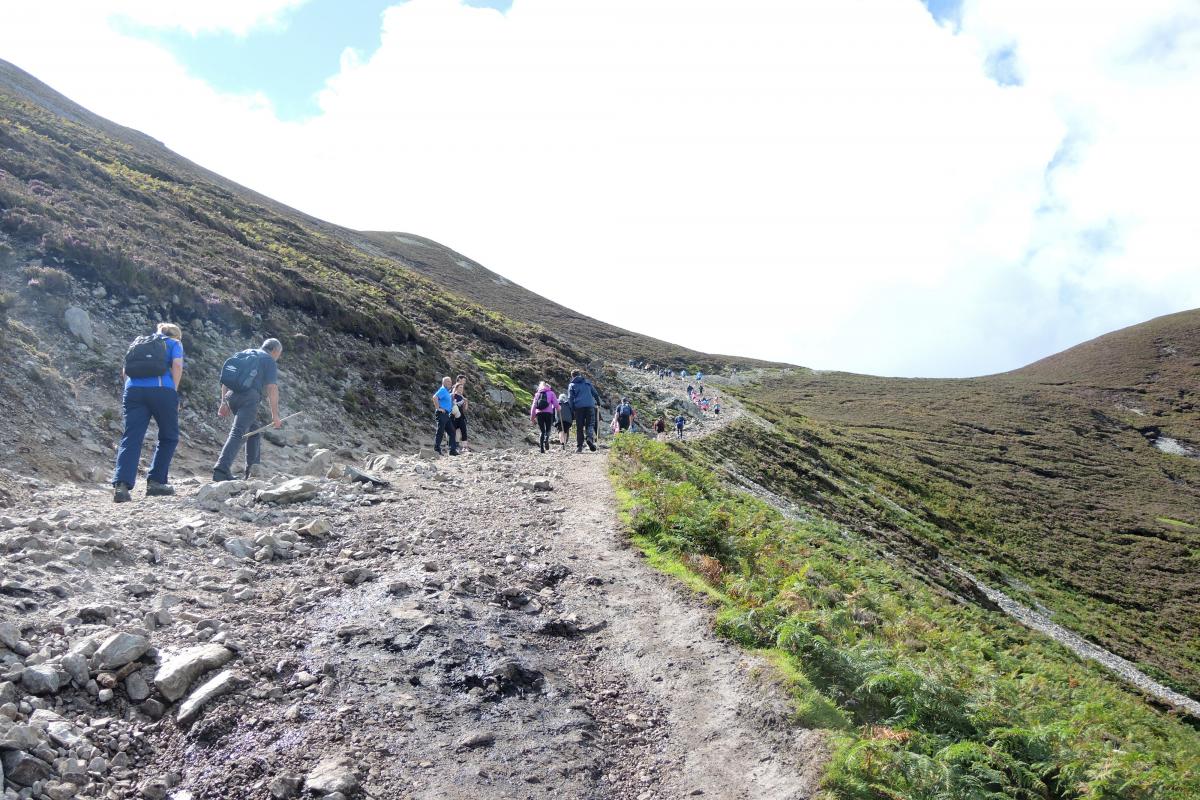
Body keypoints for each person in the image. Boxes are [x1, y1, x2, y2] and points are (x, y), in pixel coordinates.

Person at [112, 323, 184, 503]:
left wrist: (130, 389)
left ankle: (121, 485)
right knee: (169, 436)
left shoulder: (138, 342)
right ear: (176, 335)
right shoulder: (174, 343)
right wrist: (173, 391)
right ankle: (156, 483)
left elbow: (125, 370)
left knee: (131, 436)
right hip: (162, 390)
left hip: (133, 391)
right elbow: (177, 365)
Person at [213, 338, 283, 481]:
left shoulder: (244, 353)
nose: (277, 357)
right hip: (249, 398)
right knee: (238, 432)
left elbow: (227, 378)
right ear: (275, 351)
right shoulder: (268, 360)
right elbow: (272, 388)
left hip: (232, 396)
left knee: (253, 431)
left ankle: (252, 471)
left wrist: (224, 402)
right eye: (279, 354)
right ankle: (221, 470)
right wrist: (275, 415)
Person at [567, 370, 599, 452]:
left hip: (578, 408)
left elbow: (570, 398)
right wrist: (598, 402)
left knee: (579, 427)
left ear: (572, 376)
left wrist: (572, 409)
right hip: (589, 406)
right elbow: (595, 393)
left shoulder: (572, 385)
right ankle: (589, 439)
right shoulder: (587, 382)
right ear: (580, 375)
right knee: (590, 424)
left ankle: (579, 447)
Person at [432, 376, 459, 456]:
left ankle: (452, 450)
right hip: (441, 413)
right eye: (448, 382)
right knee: (440, 431)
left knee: (452, 431)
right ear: (443, 382)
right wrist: (438, 408)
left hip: (446, 414)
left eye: (450, 382)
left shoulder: (446, 392)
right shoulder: (443, 390)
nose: (450, 383)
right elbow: (435, 397)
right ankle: (437, 449)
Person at [530, 381, 560, 453]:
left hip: (539, 413)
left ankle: (541, 449)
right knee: (548, 428)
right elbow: (556, 404)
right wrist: (558, 408)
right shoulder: (551, 393)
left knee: (542, 431)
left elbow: (534, 406)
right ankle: (546, 439)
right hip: (548, 413)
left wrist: (532, 417)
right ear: (548, 387)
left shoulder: (537, 394)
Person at [451, 374, 469, 452]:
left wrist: (466, 403)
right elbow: (454, 403)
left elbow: (465, 409)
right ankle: (453, 446)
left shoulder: (462, 396)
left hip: (461, 415)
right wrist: (463, 401)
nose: (462, 389)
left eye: (462, 388)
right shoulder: (453, 394)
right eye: (460, 387)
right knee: (453, 430)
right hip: (454, 415)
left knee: (463, 430)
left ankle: (465, 447)